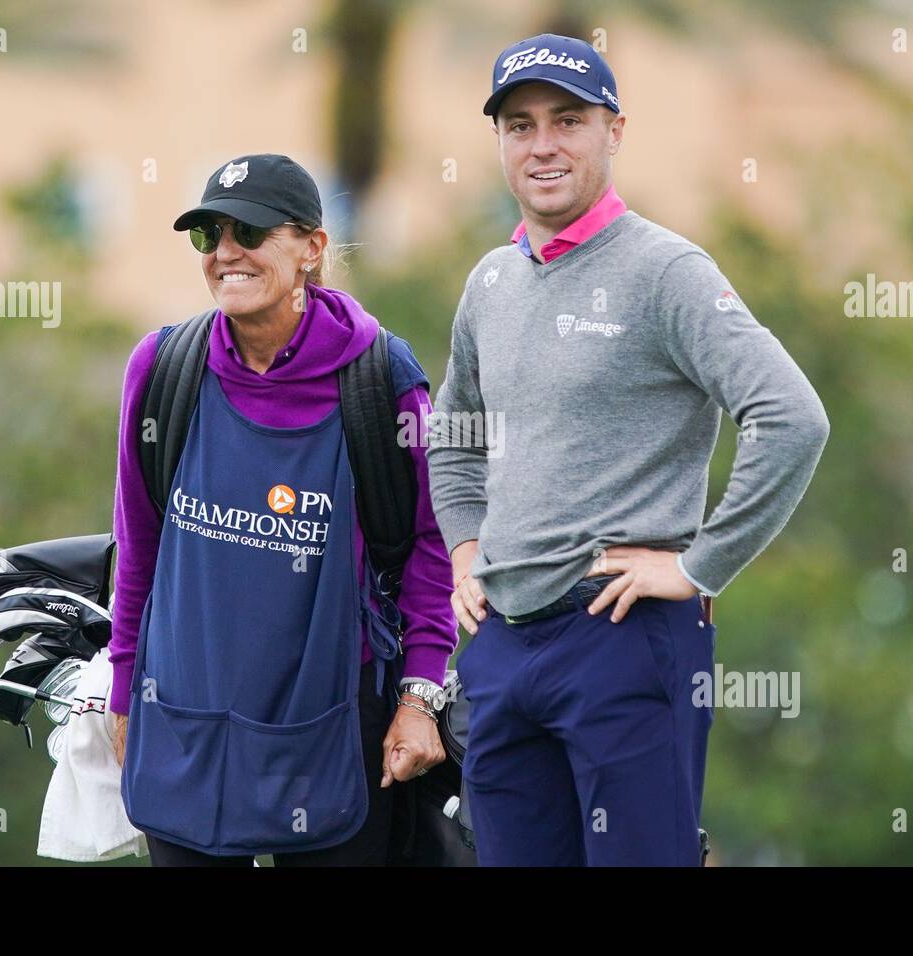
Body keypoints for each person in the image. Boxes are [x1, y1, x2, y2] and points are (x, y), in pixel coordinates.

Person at [427, 35, 831, 866]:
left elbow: (791, 417)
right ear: (500, 141)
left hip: (624, 638)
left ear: (614, 131)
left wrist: (699, 567)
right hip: (504, 646)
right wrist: (466, 551)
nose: (543, 145)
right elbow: (454, 439)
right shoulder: (490, 284)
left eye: (568, 120)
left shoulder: (665, 272)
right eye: (520, 124)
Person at [109, 153, 456, 866]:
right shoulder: (162, 368)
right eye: (210, 235)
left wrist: (419, 700)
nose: (226, 253)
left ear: (312, 250)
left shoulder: (382, 379)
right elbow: (140, 547)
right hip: (184, 719)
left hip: (336, 728)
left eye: (251, 232)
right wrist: (123, 693)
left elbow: (429, 548)